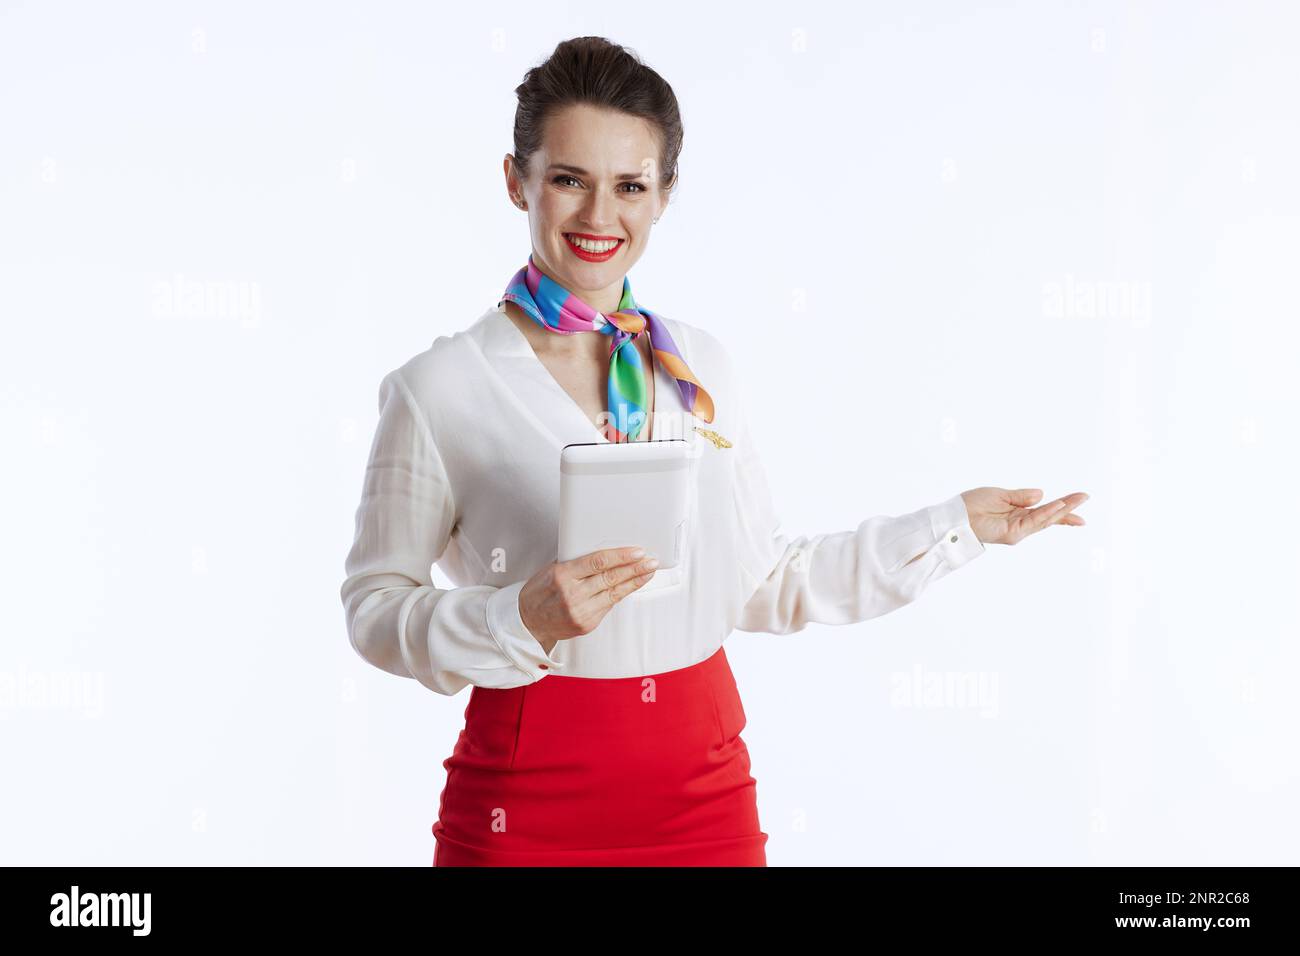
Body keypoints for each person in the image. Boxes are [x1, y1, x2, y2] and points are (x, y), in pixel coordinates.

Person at [339, 36, 1089, 867]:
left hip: (703, 799)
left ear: (663, 197)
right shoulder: (439, 387)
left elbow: (762, 581)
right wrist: (516, 615)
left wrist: (958, 527)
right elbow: (373, 609)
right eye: (568, 180)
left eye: (630, 186)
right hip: (525, 802)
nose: (599, 217)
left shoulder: (698, 370)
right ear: (516, 181)